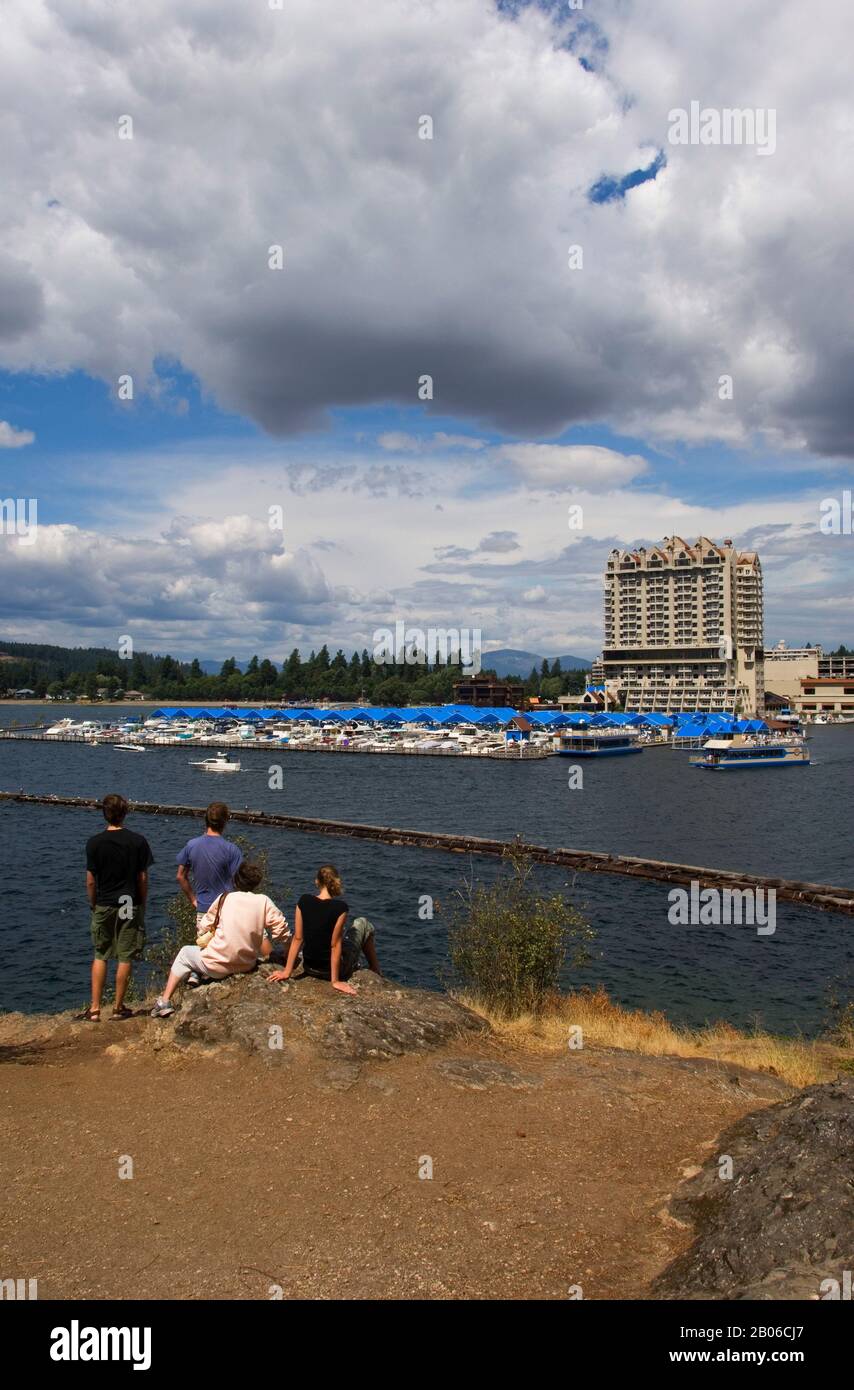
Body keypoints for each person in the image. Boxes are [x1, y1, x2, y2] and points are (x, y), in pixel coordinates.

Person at [150, 862, 288, 1017]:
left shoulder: (225, 898)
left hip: (216, 965)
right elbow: (281, 930)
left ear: (236, 881)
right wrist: (288, 953)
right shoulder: (264, 901)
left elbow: (204, 926)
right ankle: (194, 974)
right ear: (256, 883)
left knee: (185, 953)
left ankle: (164, 1001)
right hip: (246, 964)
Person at [79, 793, 154, 1022]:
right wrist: (142, 902)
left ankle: (94, 1008)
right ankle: (118, 1006)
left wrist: (93, 903)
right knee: (124, 956)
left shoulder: (94, 843)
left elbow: (90, 880)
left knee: (101, 954)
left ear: (104, 813)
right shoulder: (138, 841)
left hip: (105, 902)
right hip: (128, 902)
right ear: (125, 813)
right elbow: (142, 878)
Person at [267, 864, 380, 996]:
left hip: (309, 967)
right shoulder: (340, 908)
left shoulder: (303, 901)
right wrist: (335, 981)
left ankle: (374, 969)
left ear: (317, 882)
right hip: (328, 972)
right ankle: (376, 969)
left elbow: (298, 938)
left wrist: (287, 971)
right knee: (363, 923)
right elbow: (335, 945)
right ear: (335, 883)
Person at [176, 802, 243, 936]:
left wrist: (194, 900)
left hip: (203, 910)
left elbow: (180, 876)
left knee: (204, 952)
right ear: (224, 821)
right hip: (226, 910)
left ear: (206, 820)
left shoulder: (192, 845)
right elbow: (240, 883)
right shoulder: (232, 850)